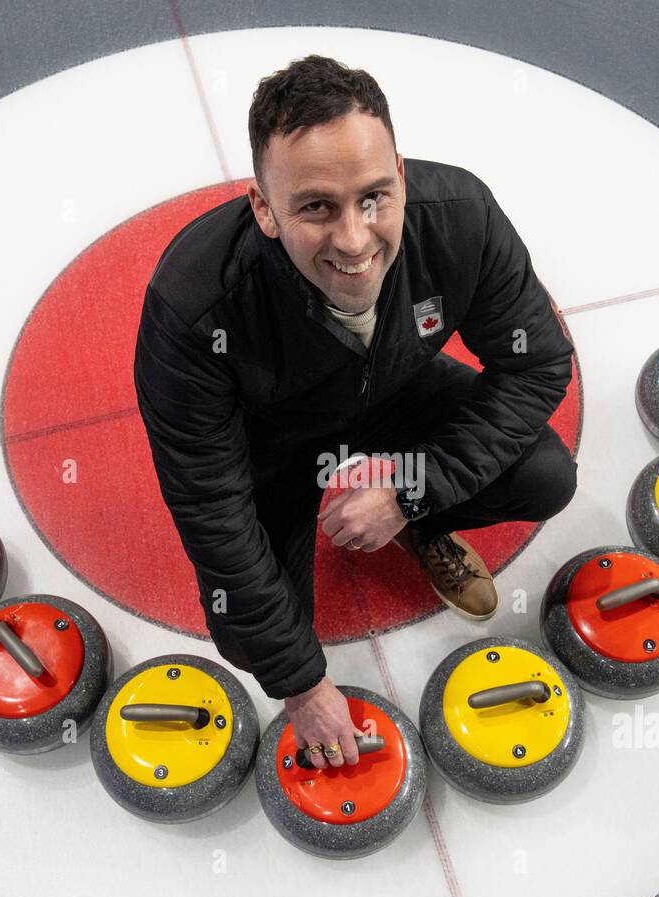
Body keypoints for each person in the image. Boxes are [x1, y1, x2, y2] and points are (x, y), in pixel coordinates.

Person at [135, 54, 577, 772]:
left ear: (401, 175)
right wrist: (302, 685)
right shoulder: (193, 304)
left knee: (545, 476)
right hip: (272, 444)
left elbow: (537, 365)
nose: (353, 238)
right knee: (248, 632)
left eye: (374, 197)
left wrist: (410, 489)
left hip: (394, 392)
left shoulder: (462, 219)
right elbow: (210, 503)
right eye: (315, 207)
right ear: (264, 209)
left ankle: (422, 525)